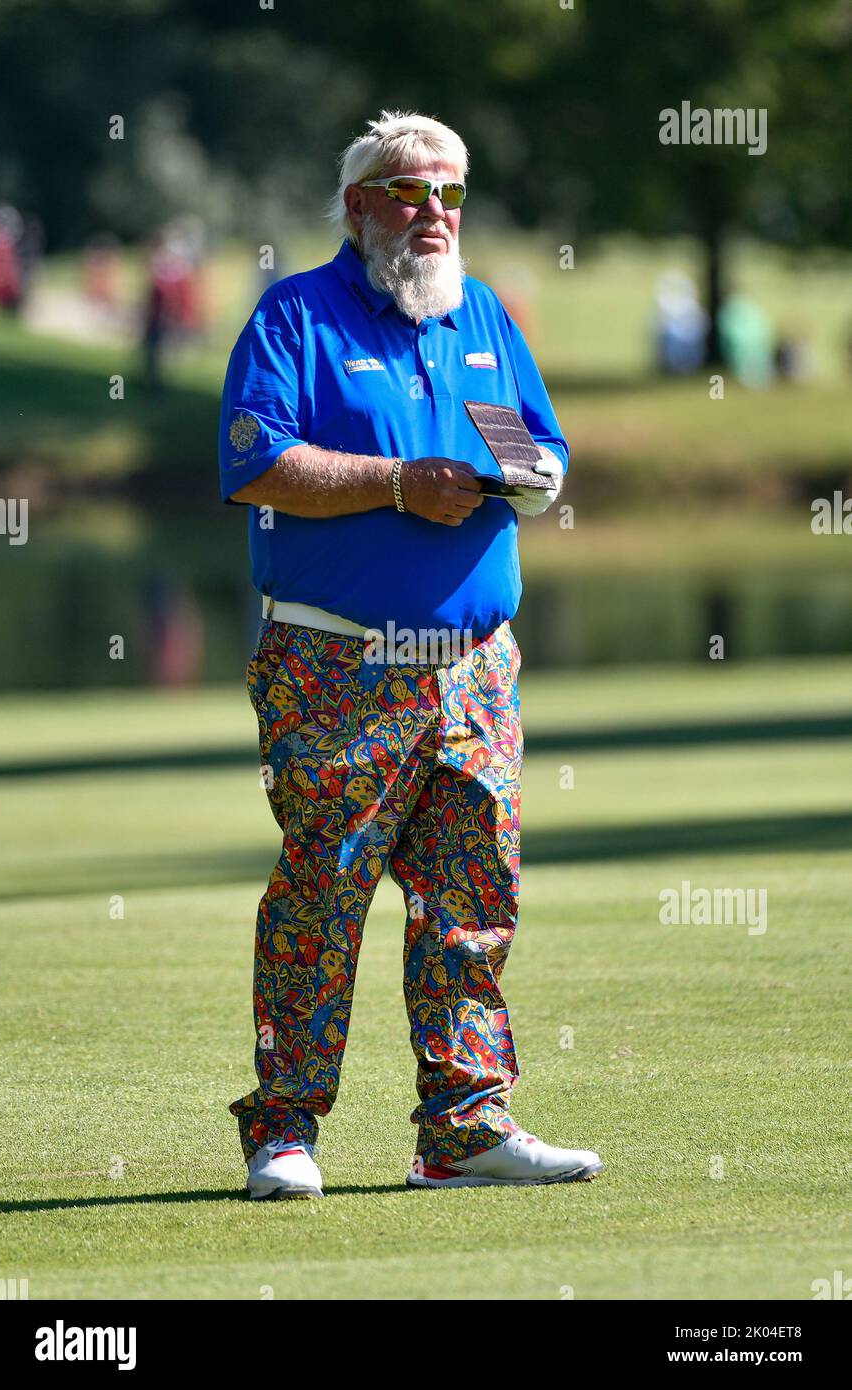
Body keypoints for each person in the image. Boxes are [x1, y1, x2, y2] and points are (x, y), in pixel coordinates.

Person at [219, 110, 604, 1198]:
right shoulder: (298, 315)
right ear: (356, 205)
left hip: (476, 665)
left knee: (473, 899)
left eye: (449, 194)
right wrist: (397, 482)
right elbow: (258, 460)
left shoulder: (476, 315)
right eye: (406, 191)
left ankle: (465, 1129)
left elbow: (530, 440)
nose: (431, 212)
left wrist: (533, 475)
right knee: (324, 894)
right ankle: (284, 1130)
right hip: (337, 665)